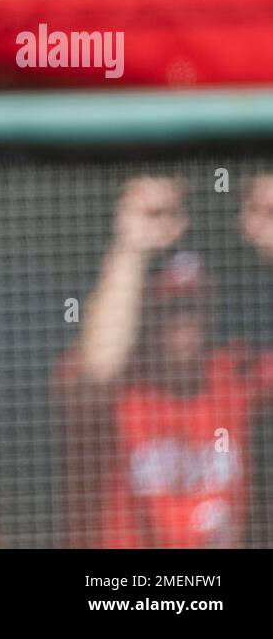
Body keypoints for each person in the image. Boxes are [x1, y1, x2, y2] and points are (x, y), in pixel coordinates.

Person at [56, 175, 273, 548]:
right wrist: (133, 248)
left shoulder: (233, 374)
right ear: (147, 310)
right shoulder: (119, 386)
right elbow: (98, 370)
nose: (184, 319)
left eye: (193, 305)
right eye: (171, 306)